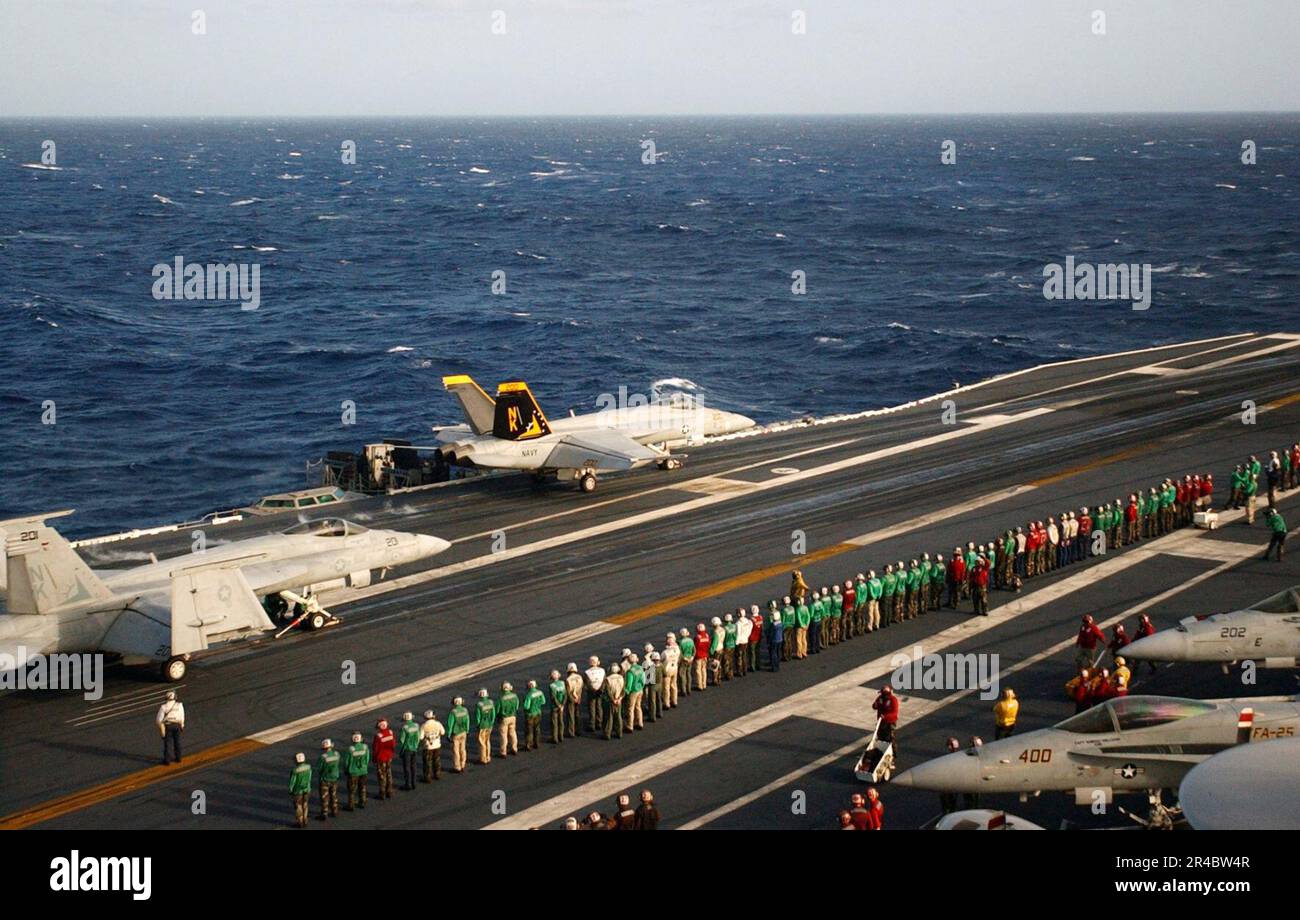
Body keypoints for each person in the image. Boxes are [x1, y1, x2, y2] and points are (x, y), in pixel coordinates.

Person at [156, 690, 185, 765]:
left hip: (168, 726)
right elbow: (182, 716)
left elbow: (159, 720)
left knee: (168, 743)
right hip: (177, 725)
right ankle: (178, 758)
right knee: (177, 742)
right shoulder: (179, 705)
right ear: (175, 696)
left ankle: (167, 760)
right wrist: (182, 725)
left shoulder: (163, 707)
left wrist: (162, 730)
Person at [345, 731, 370, 810]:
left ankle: (351, 805)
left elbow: (347, 762)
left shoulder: (350, 749)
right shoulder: (365, 747)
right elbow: (367, 759)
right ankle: (362, 801)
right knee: (362, 787)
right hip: (363, 770)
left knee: (351, 790)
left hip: (353, 772)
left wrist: (346, 770)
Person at [317, 739, 341, 820]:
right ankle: (335, 810)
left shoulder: (322, 757)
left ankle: (324, 813)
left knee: (324, 797)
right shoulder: (337, 754)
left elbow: (319, 769)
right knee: (334, 795)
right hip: (334, 778)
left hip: (325, 779)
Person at [872, 685, 900, 751]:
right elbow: (874, 706)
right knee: (880, 738)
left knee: (890, 739)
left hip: (890, 722)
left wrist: (885, 716)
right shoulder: (880, 698)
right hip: (881, 722)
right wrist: (875, 705)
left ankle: (893, 753)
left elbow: (894, 713)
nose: (881, 694)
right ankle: (881, 752)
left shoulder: (893, 700)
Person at [398, 711, 421, 791]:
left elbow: (402, 740)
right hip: (414, 748)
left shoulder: (404, 728)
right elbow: (418, 737)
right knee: (413, 766)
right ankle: (414, 783)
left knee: (406, 767)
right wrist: (416, 746)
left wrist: (401, 750)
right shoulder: (416, 726)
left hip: (407, 749)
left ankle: (408, 784)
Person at [419, 709, 444, 781]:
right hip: (437, 745)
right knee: (436, 760)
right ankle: (437, 774)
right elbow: (443, 732)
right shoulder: (438, 723)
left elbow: (421, 737)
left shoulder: (424, 726)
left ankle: (427, 777)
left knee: (427, 762)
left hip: (428, 746)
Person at [447, 697, 470, 773]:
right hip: (463, 732)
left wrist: (449, 734)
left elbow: (450, 724)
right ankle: (463, 764)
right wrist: (467, 730)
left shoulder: (453, 712)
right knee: (463, 749)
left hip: (456, 733)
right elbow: (467, 721)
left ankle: (457, 767)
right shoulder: (465, 710)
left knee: (456, 750)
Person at [289, 752, 313, 828]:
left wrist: (290, 790)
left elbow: (292, 782)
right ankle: (305, 820)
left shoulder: (295, 770)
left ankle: (300, 822)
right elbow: (309, 778)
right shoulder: (308, 767)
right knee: (305, 805)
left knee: (298, 807)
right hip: (307, 789)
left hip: (297, 791)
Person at [938, 737, 961, 814]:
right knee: (952, 801)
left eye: (949, 745)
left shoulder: (949, 758)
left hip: (948, 784)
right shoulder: (958, 756)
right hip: (953, 783)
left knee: (948, 802)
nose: (948, 747)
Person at [474, 689, 496, 765]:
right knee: (487, 741)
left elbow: (478, 717)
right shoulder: (491, 702)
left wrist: (478, 724)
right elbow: (493, 714)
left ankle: (483, 759)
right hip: (489, 724)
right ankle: (488, 756)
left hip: (482, 725)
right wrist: (492, 722)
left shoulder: (479, 704)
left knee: (482, 742)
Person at [522, 679, 546, 751]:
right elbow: (543, 702)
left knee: (529, 730)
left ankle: (528, 745)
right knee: (537, 728)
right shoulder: (540, 692)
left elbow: (526, 706)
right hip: (538, 713)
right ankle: (537, 743)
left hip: (530, 714)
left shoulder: (529, 695)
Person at [604, 663, 626, 740]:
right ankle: (619, 733)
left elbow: (607, 691)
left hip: (611, 701)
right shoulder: (621, 678)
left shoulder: (608, 679)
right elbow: (623, 690)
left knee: (610, 717)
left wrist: (613, 700)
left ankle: (607, 734)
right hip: (619, 700)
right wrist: (619, 699)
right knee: (618, 717)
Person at [584, 656, 606, 730]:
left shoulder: (587, 672)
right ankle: (599, 722)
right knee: (599, 707)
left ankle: (592, 724)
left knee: (592, 708)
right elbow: (604, 682)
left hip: (591, 693)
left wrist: (592, 690)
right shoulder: (602, 670)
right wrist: (601, 690)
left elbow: (587, 683)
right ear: (598, 662)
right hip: (600, 692)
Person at [624, 655, 645, 731]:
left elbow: (629, 684)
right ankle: (640, 722)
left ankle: (630, 725)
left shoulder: (630, 671)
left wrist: (626, 691)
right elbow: (643, 680)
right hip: (640, 690)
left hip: (633, 691)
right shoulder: (640, 668)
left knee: (630, 708)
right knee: (638, 706)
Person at [547, 670, 568, 744]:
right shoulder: (562, 683)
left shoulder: (551, 686)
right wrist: (562, 705)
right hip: (562, 705)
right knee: (561, 721)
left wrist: (558, 705)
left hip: (555, 706)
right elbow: (565, 695)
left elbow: (553, 697)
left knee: (554, 722)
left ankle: (555, 738)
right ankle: (561, 736)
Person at [563, 663, 584, 737]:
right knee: (577, 714)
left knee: (570, 715)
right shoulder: (580, 677)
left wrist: (572, 699)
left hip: (571, 700)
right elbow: (581, 688)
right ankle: (578, 730)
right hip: (578, 698)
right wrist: (578, 698)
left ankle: (571, 732)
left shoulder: (567, 680)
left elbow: (568, 692)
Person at [961, 739, 982, 809]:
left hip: (970, 780)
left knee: (971, 799)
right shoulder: (978, 755)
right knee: (973, 799)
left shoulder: (967, 754)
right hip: (974, 779)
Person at [661, 633, 680, 709]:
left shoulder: (665, 652)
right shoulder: (678, 650)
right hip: (675, 668)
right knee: (674, 685)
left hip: (667, 670)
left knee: (666, 687)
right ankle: (674, 701)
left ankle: (666, 703)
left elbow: (661, 660)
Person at [766, 600, 784, 671]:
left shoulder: (773, 624)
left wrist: (768, 637)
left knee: (773, 653)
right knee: (777, 652)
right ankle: (777, 664)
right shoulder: (780, 623)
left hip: (774, 640)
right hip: (780, 639)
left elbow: (769, 630)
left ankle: (774, 666)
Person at [644, 651, 661, 722]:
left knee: (652, 701)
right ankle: (659, 712)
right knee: (658, 699)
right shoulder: (661, 666)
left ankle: (652, 716)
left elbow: (648, 678)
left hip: (652, 686)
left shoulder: (651, 667)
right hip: (659, 684)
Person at [692, 623, 710, 690]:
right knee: (704, 670)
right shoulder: (707, 636)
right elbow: (708, 645)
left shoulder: (697, 637)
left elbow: (695, 647)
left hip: (698, 656)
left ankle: (699, 685)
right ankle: (704, 684)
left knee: (698, 671)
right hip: (705, 655)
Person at [735, 607, 752, 676]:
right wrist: (746, 637)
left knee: (739, 657)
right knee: (744, 656)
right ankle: (745, 670)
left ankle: (740, 671)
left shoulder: (738, 623)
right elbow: (750, 630)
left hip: (740, 642)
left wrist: (736, 642)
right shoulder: (748, 621)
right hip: (745, 640)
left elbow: (738, 634)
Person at [794, 594, 811, 659]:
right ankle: (804, 652)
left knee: (799, 640)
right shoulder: (805, 608)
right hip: (806, 626)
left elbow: (799, 618)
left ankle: (799, 654)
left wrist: (801, 625)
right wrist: (807, 624)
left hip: (800, 626)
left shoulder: (798, 609)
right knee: (804, 639)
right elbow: (808, 616)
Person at [748, 604, 763, 670]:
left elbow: (749, 630)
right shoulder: (760, 617)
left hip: (752, 638)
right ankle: (758, 665)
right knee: (758, 652)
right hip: (759, 637)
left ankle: (752, 666)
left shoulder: (751, 620)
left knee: (752, 653)